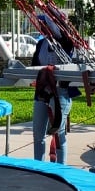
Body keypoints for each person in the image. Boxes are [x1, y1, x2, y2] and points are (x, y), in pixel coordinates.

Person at [31, 11, 75, 164]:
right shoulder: (41, 44)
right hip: (42, 92)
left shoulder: (66, 42)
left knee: (58, 134)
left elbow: (58, 31)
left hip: (60, 93)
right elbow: (34, 68)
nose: (43, 28)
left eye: (46, 24)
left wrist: (50, 11)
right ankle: (39, 166)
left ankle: (61, 168)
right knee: (38, 134)